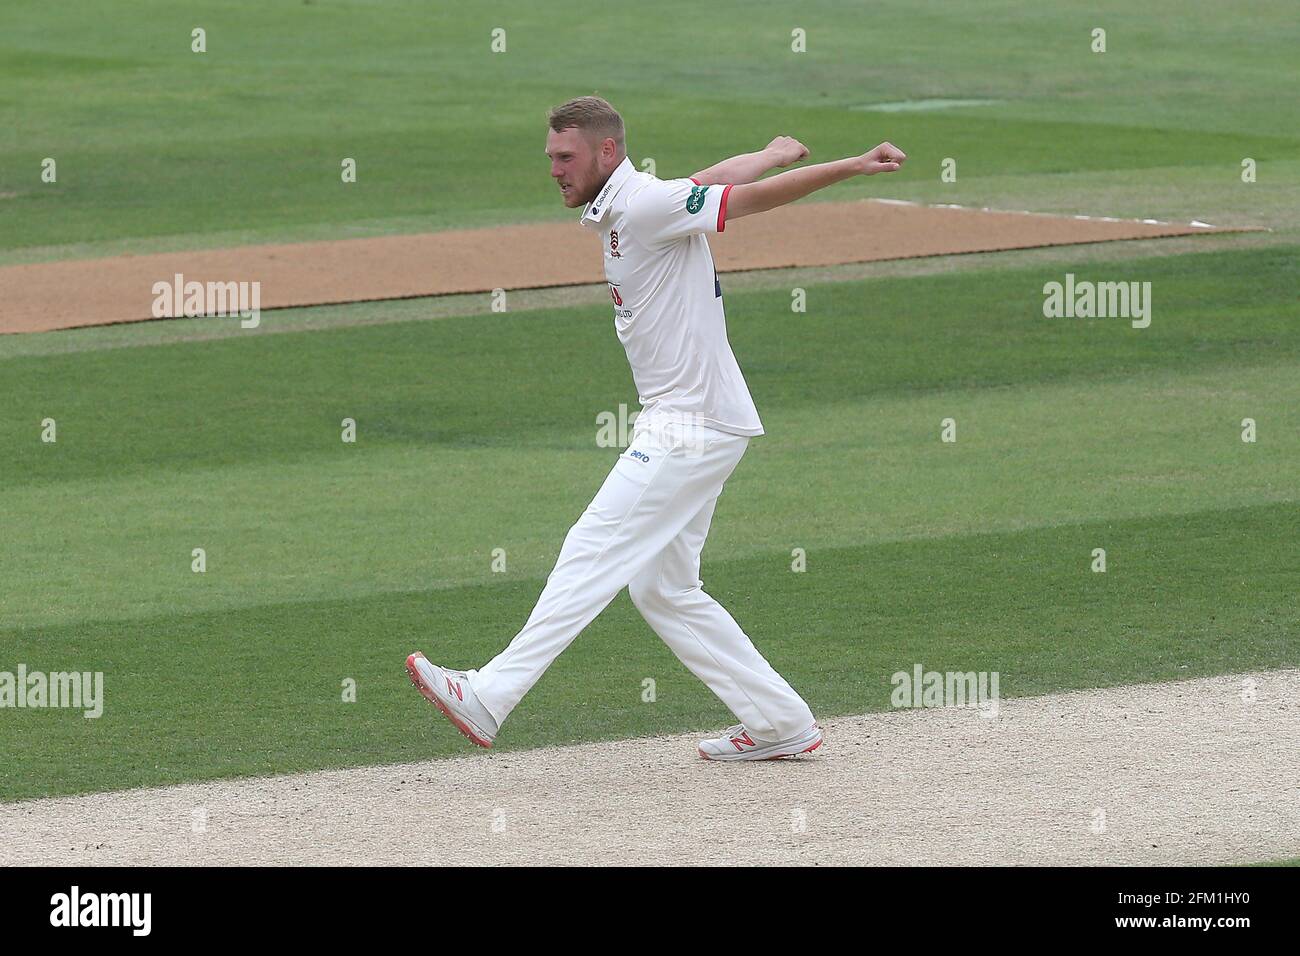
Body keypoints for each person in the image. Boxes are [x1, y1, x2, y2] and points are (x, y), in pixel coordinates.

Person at [408, 95, 905, 761]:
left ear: (606, 152)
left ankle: (492, 693)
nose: (554, 169)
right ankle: (781, 724)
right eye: (551, 157)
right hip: (699, 421)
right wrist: (772, 151)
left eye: (566, 157)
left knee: (593, 545)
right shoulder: (640, 203)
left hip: (688, 424)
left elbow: (743, 202)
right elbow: (713, 181)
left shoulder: (642, 206)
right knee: (664, 588)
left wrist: (852, 166)